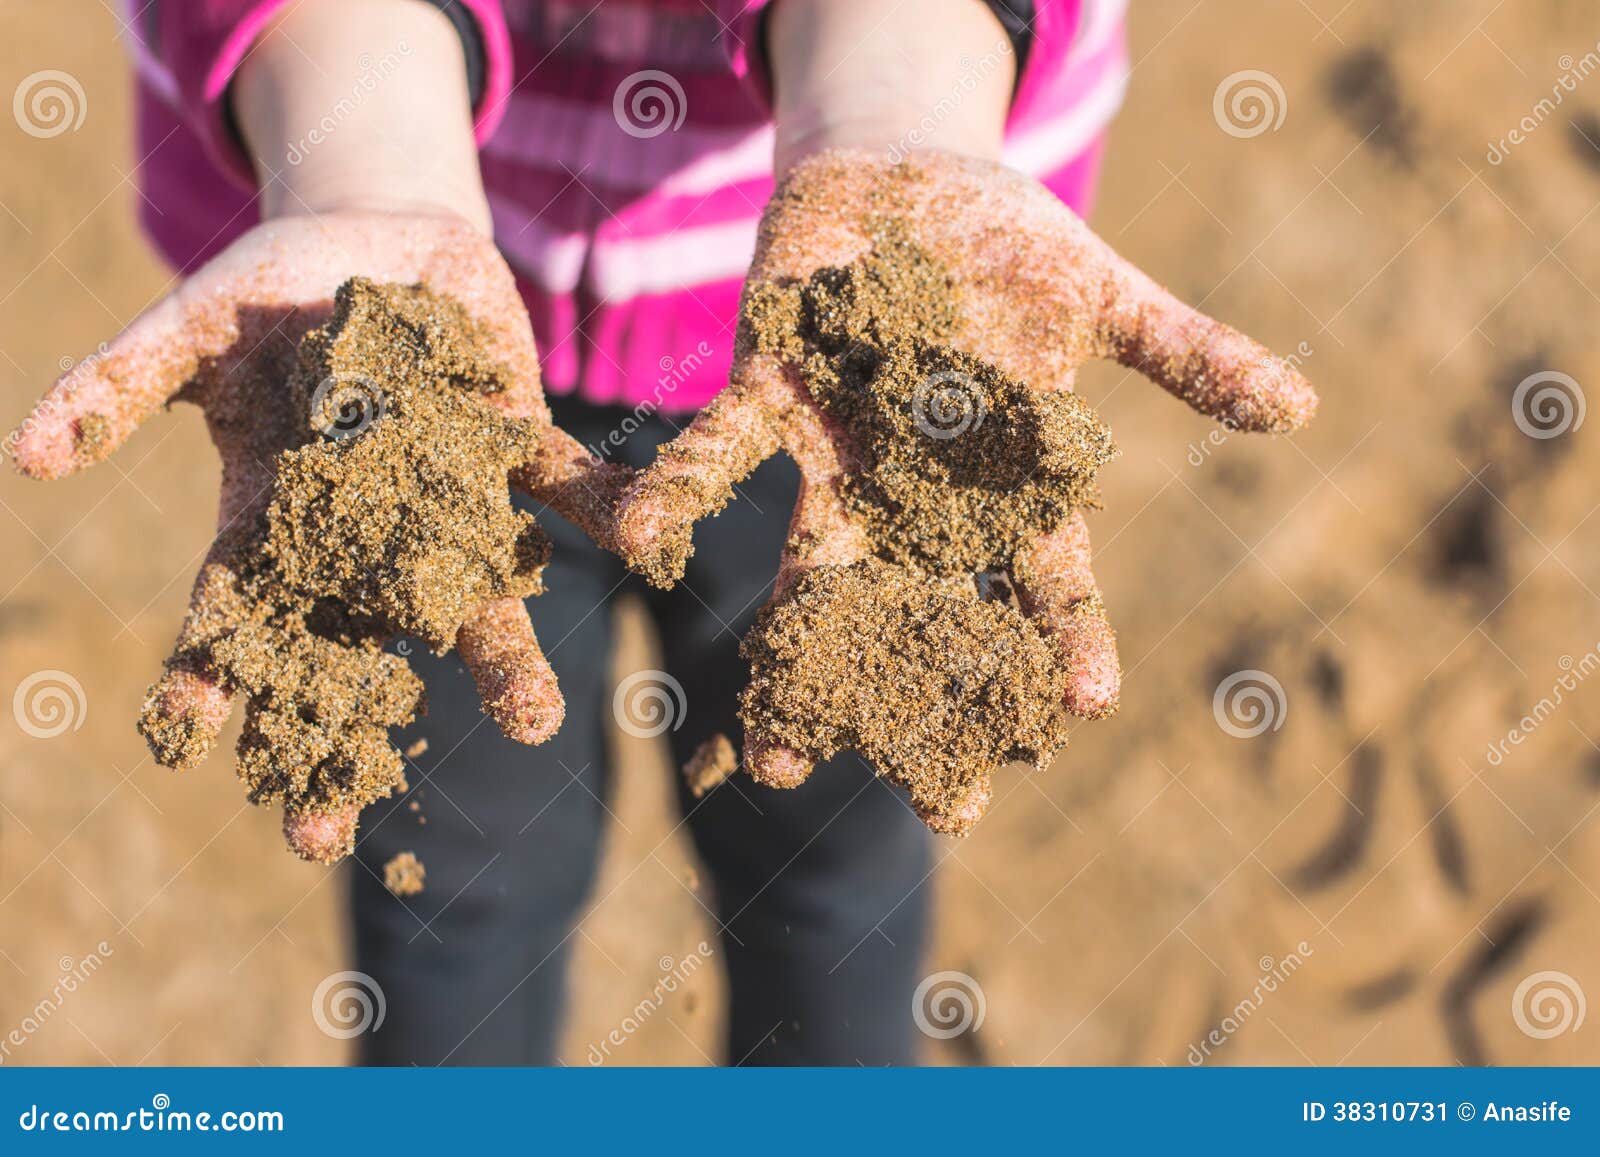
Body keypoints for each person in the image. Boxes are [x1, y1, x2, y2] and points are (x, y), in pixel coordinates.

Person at [11, 0, 1312, 1065]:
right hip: (423, 358)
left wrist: (890, 109)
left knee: (832, 856)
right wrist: (368, 162)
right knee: (456, 888)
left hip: (851, 348)